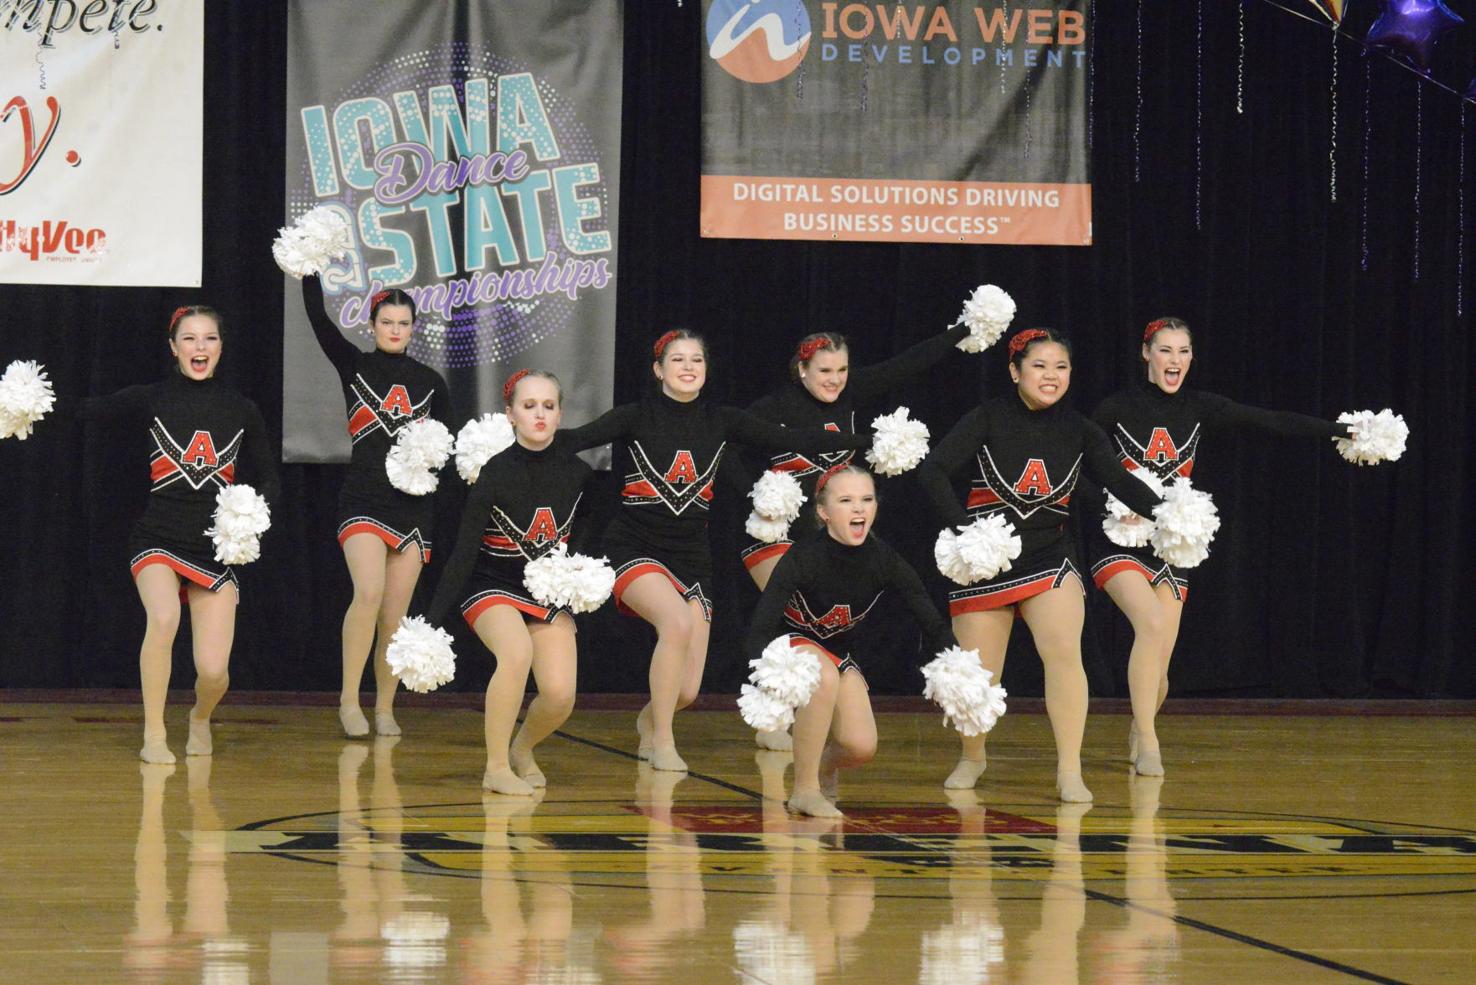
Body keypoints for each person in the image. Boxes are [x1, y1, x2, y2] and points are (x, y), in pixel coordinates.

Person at [558, 329, 870, 772]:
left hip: (691, 557)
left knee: (685, 691)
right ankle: (664, 740)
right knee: (675, 622)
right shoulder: (633, 416)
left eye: (697, 360)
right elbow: (575, 439)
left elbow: (794, 441)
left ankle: (652, 720)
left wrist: (864, 442)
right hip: (634, 548)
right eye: (678, 359)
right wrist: (518, 441)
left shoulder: (721, 420)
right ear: (658, 370)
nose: (688, 367)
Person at [1087, 317, 1351, 776]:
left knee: (1161, 667)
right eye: (1165, 350)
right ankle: (1149, 739)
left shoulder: (1201, 406)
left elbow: (1272, 421)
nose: (1175, 360)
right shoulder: (1115, 407)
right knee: (1149, 625)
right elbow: (1078, 462)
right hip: (1119, 541)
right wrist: (1111, 505)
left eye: (1183, 351)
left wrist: (1342, 430)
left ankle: (1140, 723)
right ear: (1146, 353)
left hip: (1171, 548)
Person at [916, 328, 1162, 803]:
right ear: (1015, 371)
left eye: (1061, 367)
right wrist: (966, 530)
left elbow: (1117, 481)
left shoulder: (1080, 429)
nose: (1051, 376)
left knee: (1065, 655)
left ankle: (1069, 768)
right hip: (986, 563)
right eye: (1039, 366)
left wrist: (1166, 511)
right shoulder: (986, 417)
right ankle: (973, 756)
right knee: (979, 675)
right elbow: (933, 472)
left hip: (1050, 556)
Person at [740, 325, 973, 751]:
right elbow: (729, 454)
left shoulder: (849, 395)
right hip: (775, 542)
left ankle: (818, 720)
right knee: (793, 616)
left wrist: (960, 332)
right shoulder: (771, 408)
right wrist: (758, 501)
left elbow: (906, 364)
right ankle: (772, 712)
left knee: (821, 629)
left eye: (842, 369)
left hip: (827, 544)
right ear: (802, 370)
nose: (834, 378)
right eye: (824, 370)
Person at [79, 306, 278, 763]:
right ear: (173, 347)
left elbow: (270, 478)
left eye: (209, 338)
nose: (200, 348)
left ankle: (200, 717)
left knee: (213, 673)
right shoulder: (152, 397)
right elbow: (88, 410)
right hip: (157, 538)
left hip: (213, 548)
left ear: (221, 347)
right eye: (189, 339)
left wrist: (251, 514)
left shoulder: (242, 409)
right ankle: (153, 734)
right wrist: (31, 404)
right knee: (164, 619)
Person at [746, 464, 958, 817]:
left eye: (867, 499)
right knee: (822, 674)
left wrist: (958, 667)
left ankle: (825, 767)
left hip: (838, 654)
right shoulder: (803, 556)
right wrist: (768, 682)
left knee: (860, 747)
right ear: (824, 512)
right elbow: (760, 628)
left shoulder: (884, 560)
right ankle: (804, 789)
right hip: (791, 648)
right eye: (846, 500)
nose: (859, 508)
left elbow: (929, 617)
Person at [419, 370, 594, 794]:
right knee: (514, 654)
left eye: (548, 406)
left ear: (560, 414)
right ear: (510, 414)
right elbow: (463, 552)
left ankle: (522, 748)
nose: (539, 415)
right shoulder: (495, 473)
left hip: (545, 592)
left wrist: (574, 581)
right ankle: (495, 768)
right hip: (490, 585)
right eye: (528, 406)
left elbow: (584, 540)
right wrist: (432, 622)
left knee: (559, 694)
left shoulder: (579, 474)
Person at [300, 276, 450, 737]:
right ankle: (349, 701)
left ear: (413, 329)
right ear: (372, 325)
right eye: (387, 321)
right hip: (362, 500)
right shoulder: (355, 366)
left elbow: (447, 447)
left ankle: (385, 706)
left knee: (395, 615)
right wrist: (311, 269)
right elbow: (319, 321)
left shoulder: (431, 383)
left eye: (403, 323)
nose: (395, 329)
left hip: (412, 510)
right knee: (367, 593)